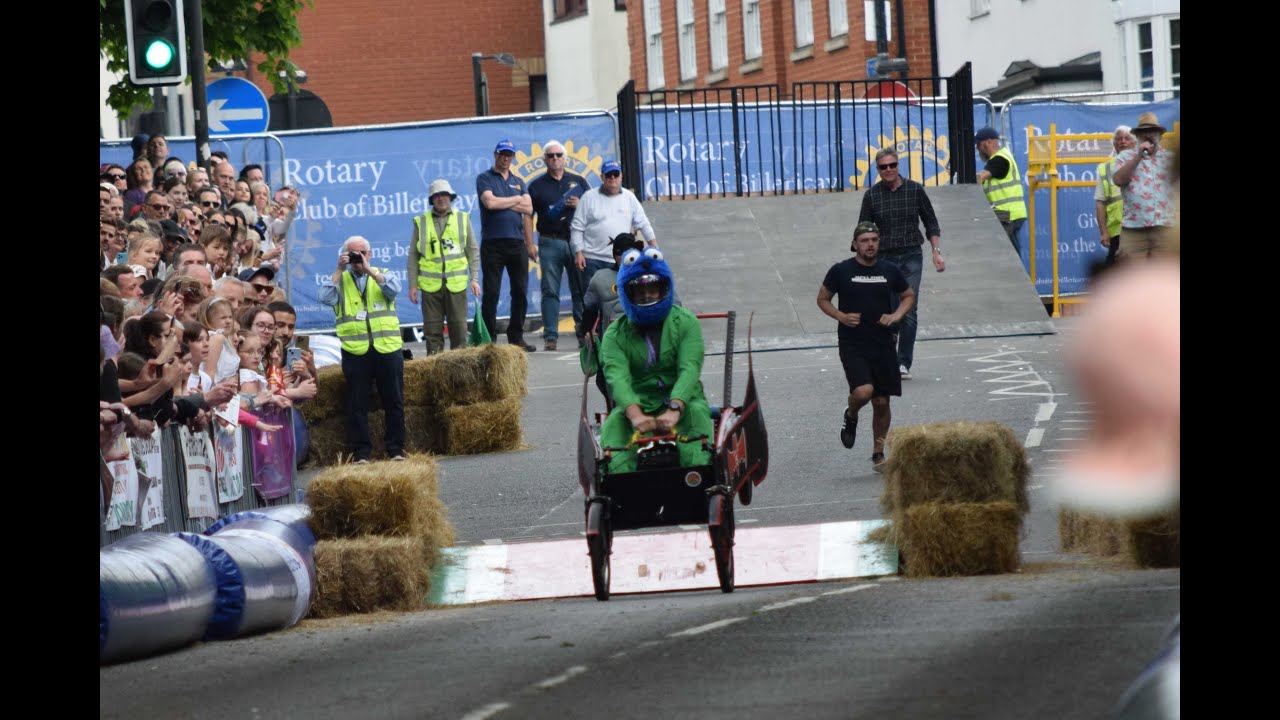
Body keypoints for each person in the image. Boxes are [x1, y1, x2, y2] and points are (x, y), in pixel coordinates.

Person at [598, 246, 713, 474]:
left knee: (697, 419)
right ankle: (621, 487)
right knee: (614, 429)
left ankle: (699, 480)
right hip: (637, 404)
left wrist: (675, 407)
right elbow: (617, 378)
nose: (647, 295)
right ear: (627, 294)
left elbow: (689, 369)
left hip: (684, 402)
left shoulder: (686, 322)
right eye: (639, 291)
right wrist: (634, 414)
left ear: (664, 288)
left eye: (653, 288)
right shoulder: (614, 334)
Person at [816, 221, 915, 471]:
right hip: (853, 343)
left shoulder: (889, 270)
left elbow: (908, 295)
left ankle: (878, 454)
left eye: (874, 240)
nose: (870, 244)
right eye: (864, 241)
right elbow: (823, 299)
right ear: (854, 244)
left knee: (881, 402)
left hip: (883, 343)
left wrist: (896, 315)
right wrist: (841, 316)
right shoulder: (841, 270)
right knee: (863, 393)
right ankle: (851, 414)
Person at [857, 148, 943, 381]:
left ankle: (903, 362)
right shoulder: (872, 196)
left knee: (908, 307)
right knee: (887, 308)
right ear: (878, 170)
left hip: (911, 255)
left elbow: (931, 222)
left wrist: (936, 252)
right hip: (884, 259)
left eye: (892, 165)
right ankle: (886, 353)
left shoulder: (915, 190)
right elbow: (863, 229)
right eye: (883, 167)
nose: (888, 170)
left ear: (898, 165)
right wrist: (861, 260)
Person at [319, 235, 407, 463]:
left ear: (370, 254)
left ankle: (396, 449)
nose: (358, 259)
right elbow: (325, 298)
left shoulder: (382, 273)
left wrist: (369, 270)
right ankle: (361, 453)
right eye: (353, 254)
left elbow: (394, 289)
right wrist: (339, 270)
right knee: (357, 404)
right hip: (356, 351)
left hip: (387, 348)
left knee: (394, 401)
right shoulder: (341, 279)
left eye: (362, 254)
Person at [528, 139, 591, 351]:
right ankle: (550, 337)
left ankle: (584, 333)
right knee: (550, 291)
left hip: (576, 242)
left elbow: (593, 209)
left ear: (565, 158)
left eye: (558, 155)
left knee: (580, 289)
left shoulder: (579, 181)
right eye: (550, 155)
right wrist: (530, 243)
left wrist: (580, 204)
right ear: (544, 160)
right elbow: (527, 216)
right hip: (549, 241)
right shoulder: (536, 186)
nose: (554, 158)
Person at [476, 139, 537, 352]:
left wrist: (505, 201)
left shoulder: (518, 181)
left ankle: (516, 337)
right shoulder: (484, 178)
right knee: (491, 292)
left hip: (517, 243)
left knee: (520, 291)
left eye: (509, 155)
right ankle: (488, 340)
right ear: (496, 154)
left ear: (513, 157)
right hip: (492, 243)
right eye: (502, 154)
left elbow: (528, 208)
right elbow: (490, 203)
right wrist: (516, 200)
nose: (505, 158)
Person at [408, 179, 481, 355]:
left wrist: (474, 278)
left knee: (459, 330)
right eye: (437, 195)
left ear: (450, 197)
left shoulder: (462, 218)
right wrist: (413, 285)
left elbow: (472, 250)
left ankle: (459, 368)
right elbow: (413, 255)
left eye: (444, 194)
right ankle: (434, 369)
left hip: (456, 285)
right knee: (432, 332)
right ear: (431, 199)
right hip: (430, 287)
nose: (441, 198)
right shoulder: (421, 221)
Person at [570, 159, 658, 290]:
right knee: (591, 298)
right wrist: (578, 252)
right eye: (608, 175)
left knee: (622, 296)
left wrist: (655, 247)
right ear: (602, 177)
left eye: (616, 174)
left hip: (621, 259)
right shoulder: (588, 197)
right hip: (592, 260)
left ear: (621, 176)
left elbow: (643, 224)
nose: (612, 178)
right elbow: (577, 227)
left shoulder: (629, 197)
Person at [581, 232, 645, 407]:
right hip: (614, 342)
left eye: (628, 252)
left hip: (645, 338)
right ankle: (616, 409)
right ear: (614, 254)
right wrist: (587, 332)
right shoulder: (600, 278)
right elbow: (589, 309)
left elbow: (673, 304)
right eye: (619, 253)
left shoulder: (650, 272)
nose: (623, 257)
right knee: (606, 381)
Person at [1112, 112, 1177, 260]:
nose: (1148, 135)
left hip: (1165, 229)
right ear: (1137, 136)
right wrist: (1139, 156)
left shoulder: (1170, 158)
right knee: (1130, 272)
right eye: (1143, 132)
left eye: (1152, 131)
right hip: (1133, 230)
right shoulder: (1125, 157)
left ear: (1160, 136)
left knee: (1164, 273)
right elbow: (1119, 180)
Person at [974, 127, 1028, 258]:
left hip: (1007, 214)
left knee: (1008, 256)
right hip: (1009, 213)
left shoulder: (999, 160)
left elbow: (980, 177)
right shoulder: (1002, 158)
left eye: (979, 145)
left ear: (988, 142)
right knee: (1009, 253)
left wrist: (963, 180)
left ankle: (1015, 272)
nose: (978, 149)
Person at [1095, 125, 1136, 267]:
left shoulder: (1143, 162)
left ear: (1135, 143)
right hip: (1117, 231)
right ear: (1114, 144)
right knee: (1114, 270)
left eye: (1127, 138)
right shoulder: (1105, 168)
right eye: (1119, 139)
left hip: (1140, 227)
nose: (1122, 142)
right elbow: (1100, 203)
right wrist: (1103, 232)